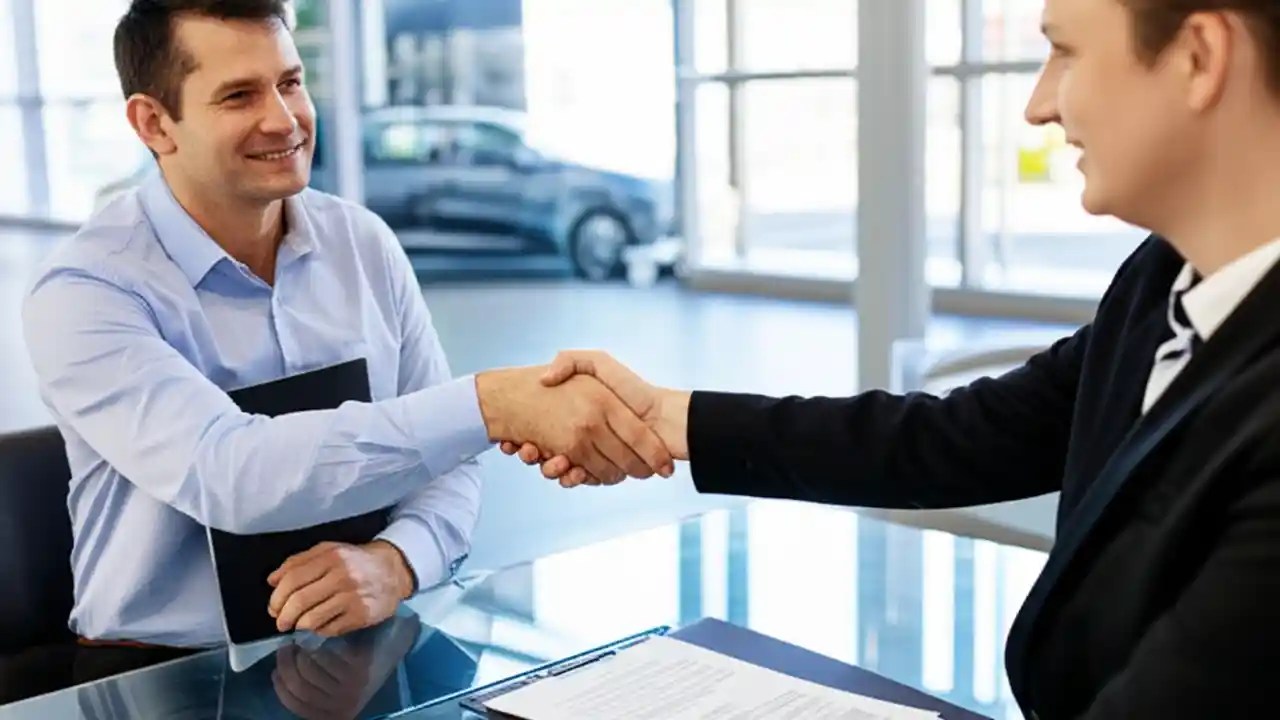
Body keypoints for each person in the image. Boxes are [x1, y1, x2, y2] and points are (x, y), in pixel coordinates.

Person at [504, 0, 1280, 716]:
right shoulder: (1163, 279)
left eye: (1066, 53)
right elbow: (958, 437)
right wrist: (666, 419)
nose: (1039, 104)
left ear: (1200, 57)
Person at [19, 0, 671, 688]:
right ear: (154, 123)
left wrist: (398, 561)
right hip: (158, 676)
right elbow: (232, 474)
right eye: (239, 96)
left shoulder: (361, 243)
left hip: (365, 643)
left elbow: (447, 464)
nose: (284, 119)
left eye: (290, 82)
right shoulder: (87, 289)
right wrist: (491, 406)